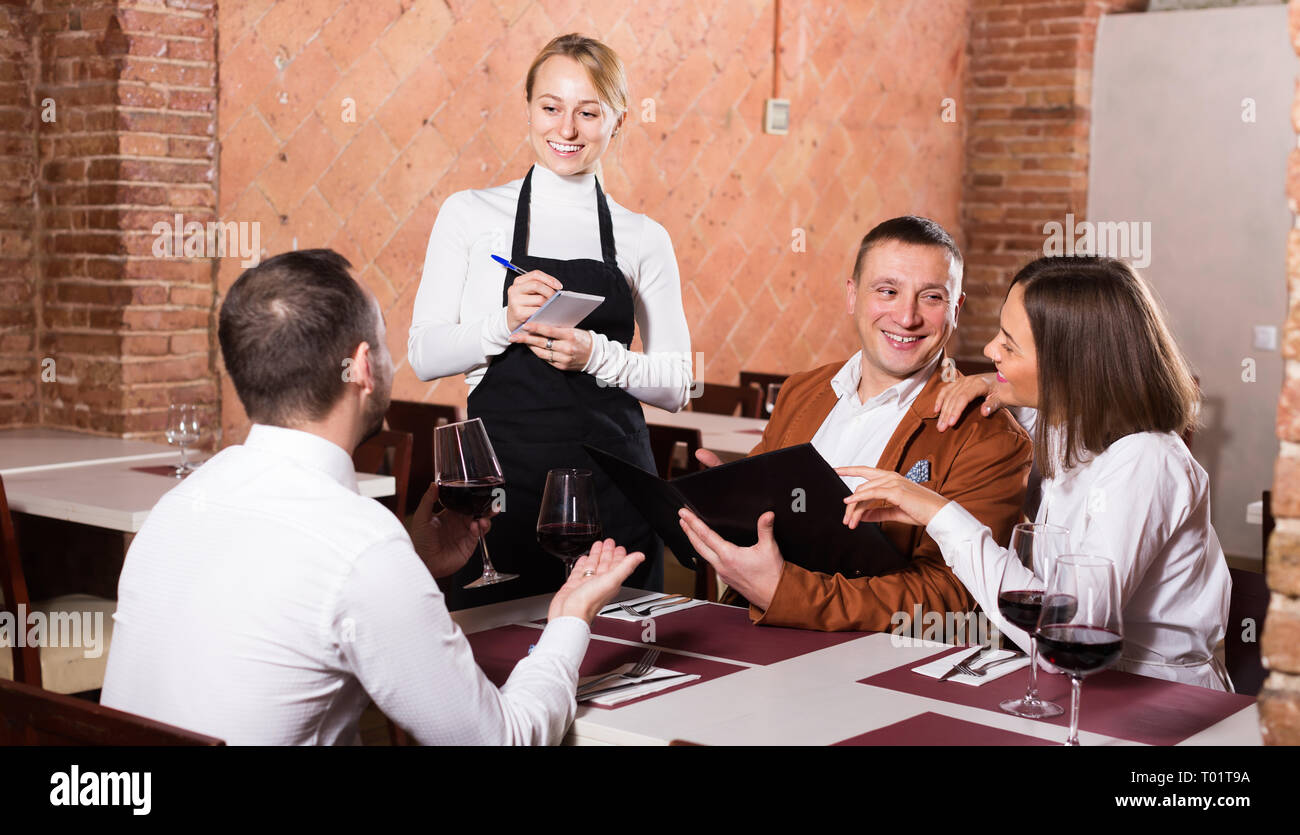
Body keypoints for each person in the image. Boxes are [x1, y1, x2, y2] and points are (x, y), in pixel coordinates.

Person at [100, 250, 645, 745]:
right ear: (362, 367)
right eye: (384, 343)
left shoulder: (174, 508)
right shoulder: (359, 546)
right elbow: (499, 742)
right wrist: (570, 619)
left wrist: (411, 562)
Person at [841, 255, 1232, 690]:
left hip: (1153, 696)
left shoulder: (1146, 460)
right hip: (1076, 685)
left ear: (1070, 366)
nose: (990, 352)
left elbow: (1069, 636)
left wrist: (941, 516)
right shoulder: (1065, 427)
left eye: (1009, 345)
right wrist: (1000, 383)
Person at [407, 33, 692, 607]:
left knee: (626, 673)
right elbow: (423, 355)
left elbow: (678, 385)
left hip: (616, 496)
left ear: (619, 121)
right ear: (528, 109)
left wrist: (598, 356)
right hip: (500, 500)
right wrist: (503, 322)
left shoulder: (642, 236)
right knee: (499, 669)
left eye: (588, 112)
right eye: (550, 107)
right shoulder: (470, 214)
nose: (566, 129)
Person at [677, 216, 1033, 631]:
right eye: (887, 291)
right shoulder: (801, 391)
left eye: (932, 298)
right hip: (755, 633)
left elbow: (955, 602)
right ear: (853, 296)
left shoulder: (990, 438)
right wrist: (728, 507)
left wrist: (787, 594)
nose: (907, 316)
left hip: (872, 666)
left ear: (955, 309)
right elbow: (767, 525)